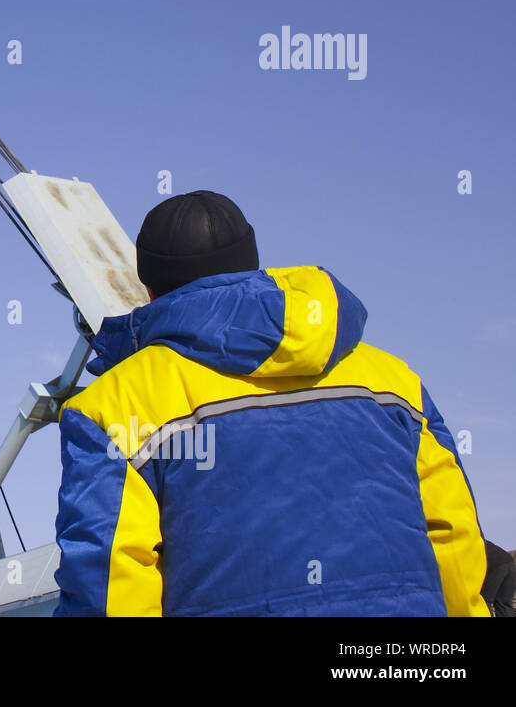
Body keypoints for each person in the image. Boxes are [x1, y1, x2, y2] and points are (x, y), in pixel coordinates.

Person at [54, 190, 490, 616]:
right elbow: (454, 537)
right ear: (252, 265)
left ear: (148, 287)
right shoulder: (396, 382)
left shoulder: (112, 406)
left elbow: (109, 580)